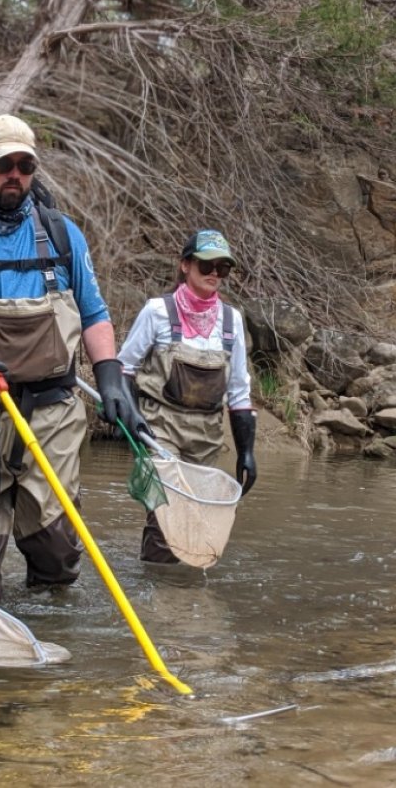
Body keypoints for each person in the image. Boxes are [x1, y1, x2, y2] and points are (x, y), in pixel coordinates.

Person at [0, 113, 146, 601]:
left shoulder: (65, 237)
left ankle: (47, 651)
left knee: (57, 558)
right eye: (4, 164)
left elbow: (95, 314)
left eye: (25, 165)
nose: (15, 174)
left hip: (53, 416)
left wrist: (111, 378)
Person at [117, 229, 257, 564]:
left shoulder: (232, 321)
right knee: (165, 512)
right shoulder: (157, 312)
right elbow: (123, 369)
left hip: (206, 434)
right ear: (185, 265)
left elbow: (239, 391)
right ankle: (159, 585)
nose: (214, 274)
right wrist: (132, 416)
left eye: (222, 268)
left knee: (195, 515)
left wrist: (247, 453)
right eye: (206, 265)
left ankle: (181, 584)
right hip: (158, 427)